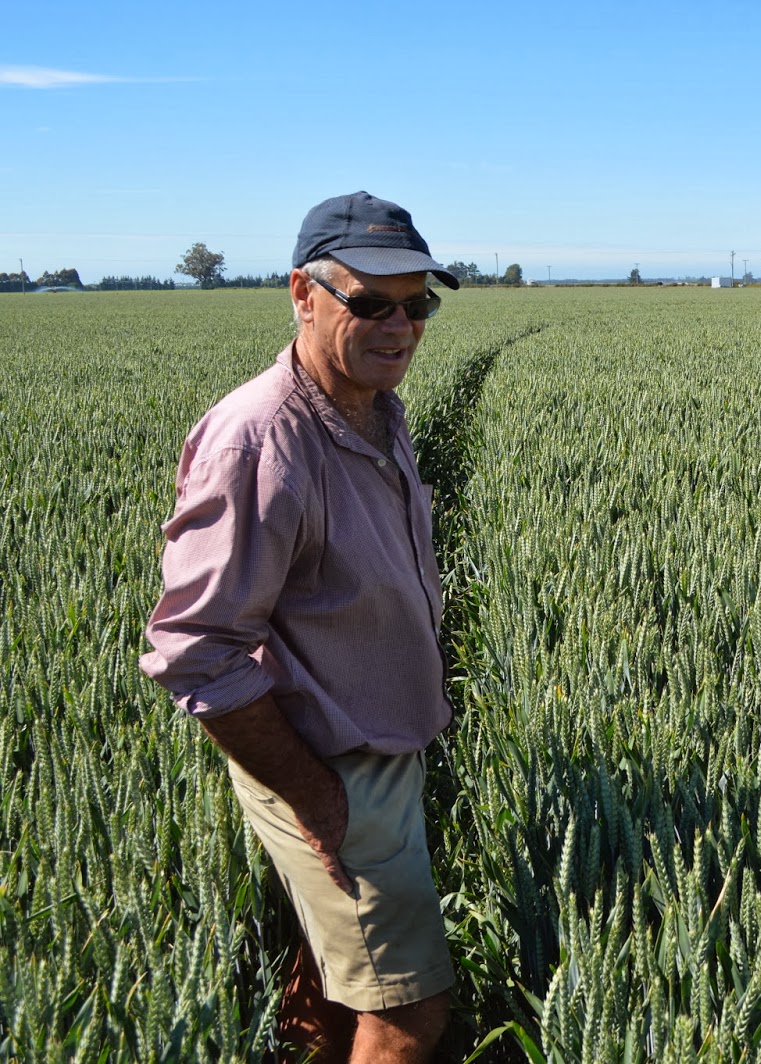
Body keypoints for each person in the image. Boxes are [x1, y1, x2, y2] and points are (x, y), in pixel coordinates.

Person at [141, 192, 462, 1062]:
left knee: (333, 969)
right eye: (371, 302)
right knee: (411, 1009)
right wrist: (316, 792)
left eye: (418, 304)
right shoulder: (261, 443)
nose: (401, 325)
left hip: (370, 751)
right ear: (303, 292)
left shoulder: (373, 404)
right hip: (335, 766)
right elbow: (193, 650)